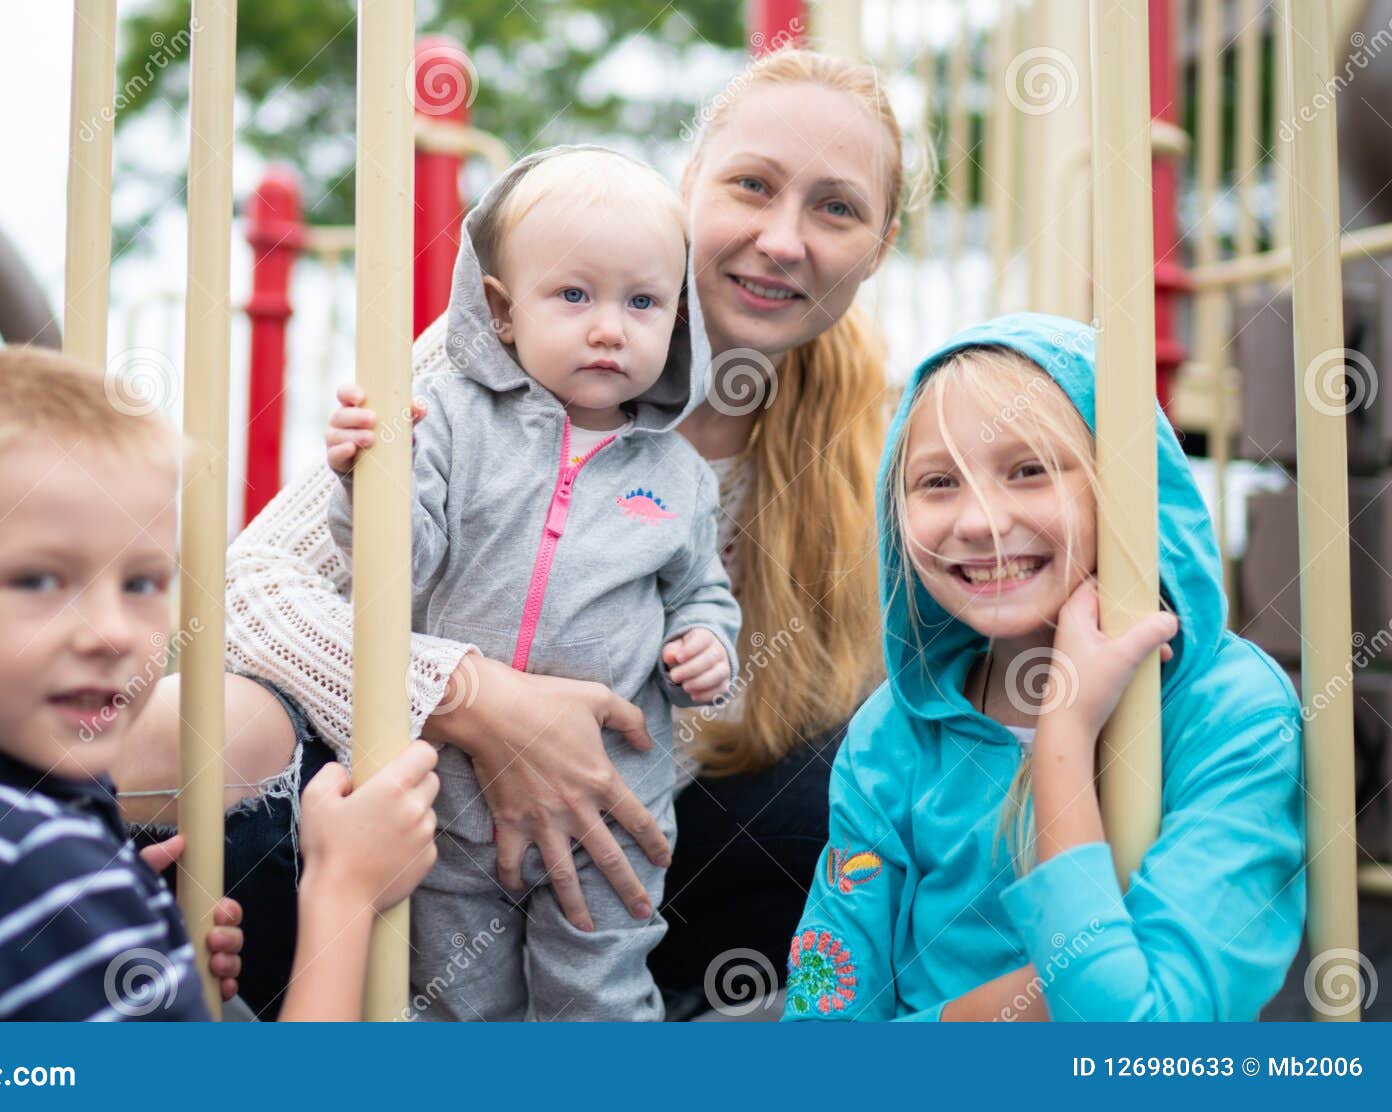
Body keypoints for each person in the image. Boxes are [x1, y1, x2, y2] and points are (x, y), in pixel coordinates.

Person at [115, 47, 905, 1017]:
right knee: (208, 722)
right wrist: (473, 696)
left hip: (624, 859)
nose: (782, 239)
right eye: (751, 186)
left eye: (835, 207)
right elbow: (244, 592)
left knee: (832, 785)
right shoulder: (505, 353)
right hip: (399, 801)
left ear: (881, 242)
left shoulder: (870, 447)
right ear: (689, 188)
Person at [0, 350, 438, 1022]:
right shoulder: (46, 875)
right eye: (40, 581)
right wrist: (345, 889)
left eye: (141, 583)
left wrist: (133, 957)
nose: (111, 633)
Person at [783, 314, 1305, 1022]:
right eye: (937, 482)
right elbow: (821, 1036)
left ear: (1118, 484)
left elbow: (1144, 1041)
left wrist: (1062, 735)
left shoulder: (1231, 714)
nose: (979, 521)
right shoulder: (890, 737)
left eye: (1028, 470)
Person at [328, 147, 739, 1019]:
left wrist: (709, 642)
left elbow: (701, 590)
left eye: (642, 302)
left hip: (609, 800)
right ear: (502, 312)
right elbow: (391, 570)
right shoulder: (445, 419)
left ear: (679, 321)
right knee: (450, 1001)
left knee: (596, 989)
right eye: (574, 296)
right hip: (442, 795)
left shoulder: (676, 473)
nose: (607, 328)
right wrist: (369, 476)